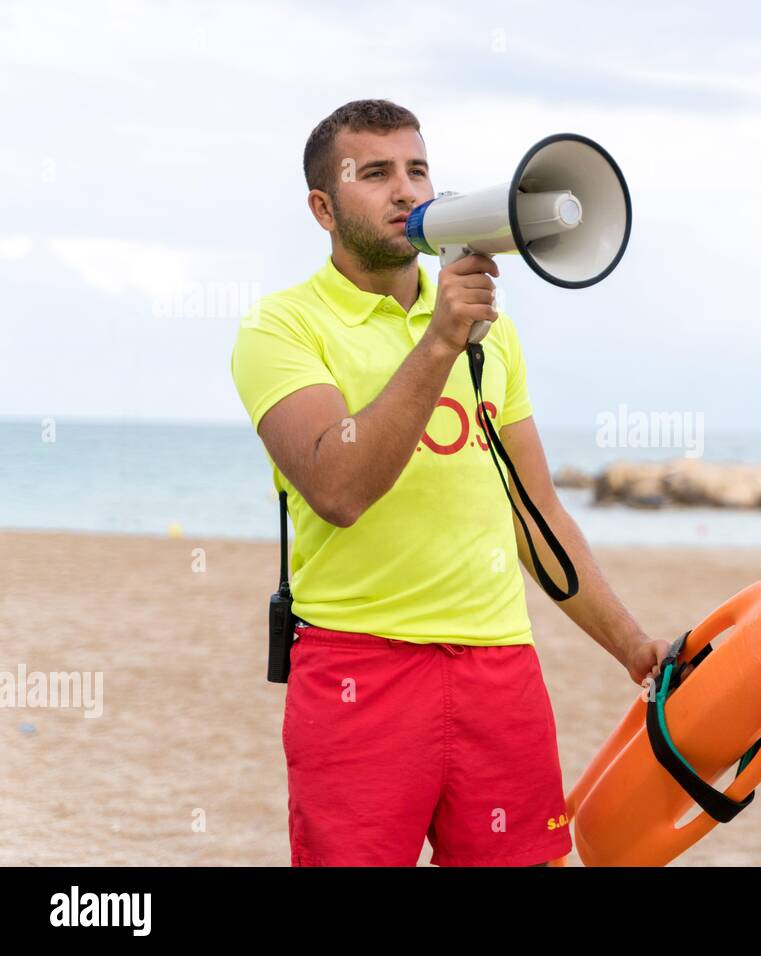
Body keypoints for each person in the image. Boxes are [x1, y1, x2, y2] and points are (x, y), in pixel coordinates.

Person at [230, 99, 671, 867]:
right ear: (323, 209)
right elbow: (338, 489)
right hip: (359, 666)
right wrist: (440, 341)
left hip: (499, 668)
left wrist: (631, 645)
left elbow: (537, 514)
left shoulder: (494, 336)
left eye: (418, 169)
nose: (405, 190)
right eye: (375, 173)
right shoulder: (282, 328)